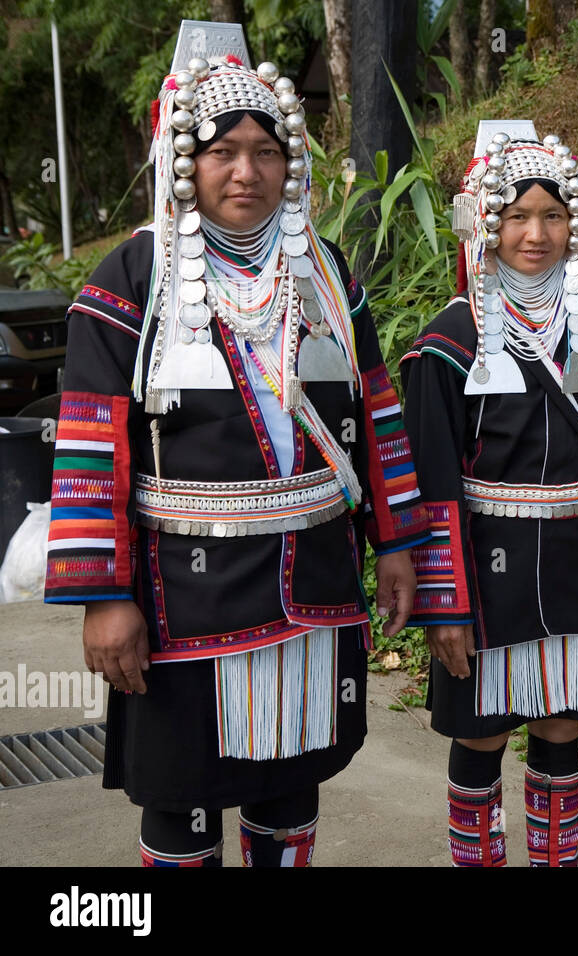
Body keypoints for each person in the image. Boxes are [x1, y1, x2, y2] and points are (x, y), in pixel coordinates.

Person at [44, 35, 427, 867]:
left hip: (312, 588)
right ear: (186, 161)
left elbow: (380, 419)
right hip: (183, 601)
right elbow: (86, 449)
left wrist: (397, 546)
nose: (245, 172)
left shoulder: (326, 277)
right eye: (222, 152)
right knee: (181, 805)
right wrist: (104, 597)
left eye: (265, 151)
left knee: (290, 794)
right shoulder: (131, 280)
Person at [401, 124, 578, 867]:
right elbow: (431, 487)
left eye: (553, 216)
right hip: (488, 576)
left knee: (562, 724)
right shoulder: (448, 344)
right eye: (517, 216)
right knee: (482, 731)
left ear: (575, 225)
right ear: (486, 226)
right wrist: (445, 605)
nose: (535, 233)